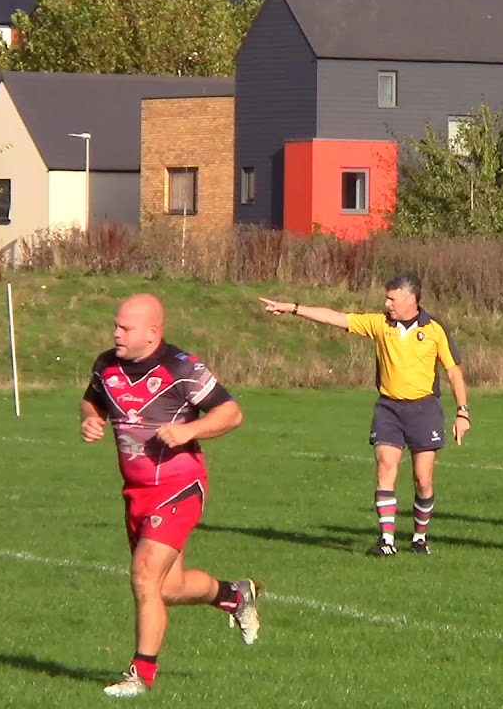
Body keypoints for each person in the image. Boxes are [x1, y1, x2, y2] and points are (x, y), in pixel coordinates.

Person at [81, 293, 261, 698]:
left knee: (144, 575)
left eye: (125, 328)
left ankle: (140, 676)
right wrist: (91, 420)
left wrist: (188, 431)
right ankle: (235, 595)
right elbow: (92, 401)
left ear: (152, 332)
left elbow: (231, 412)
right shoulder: (106, 364)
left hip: (179, 487)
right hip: (136, 491)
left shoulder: (181, 368)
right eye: (115, 325)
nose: (116, 333)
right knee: (166, 589)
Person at [259, 272, 469, 557]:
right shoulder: (380, 323)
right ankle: (387, 540)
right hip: (388, 409)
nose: (387, 303)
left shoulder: (434, 329)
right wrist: (294, 308)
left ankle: (419, 538)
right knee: (385, 466)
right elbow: (336, 317)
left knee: (423, 479)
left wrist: (462, 412)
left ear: (411, 299)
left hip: (424, 410)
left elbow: (454, 372)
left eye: (392, 298)